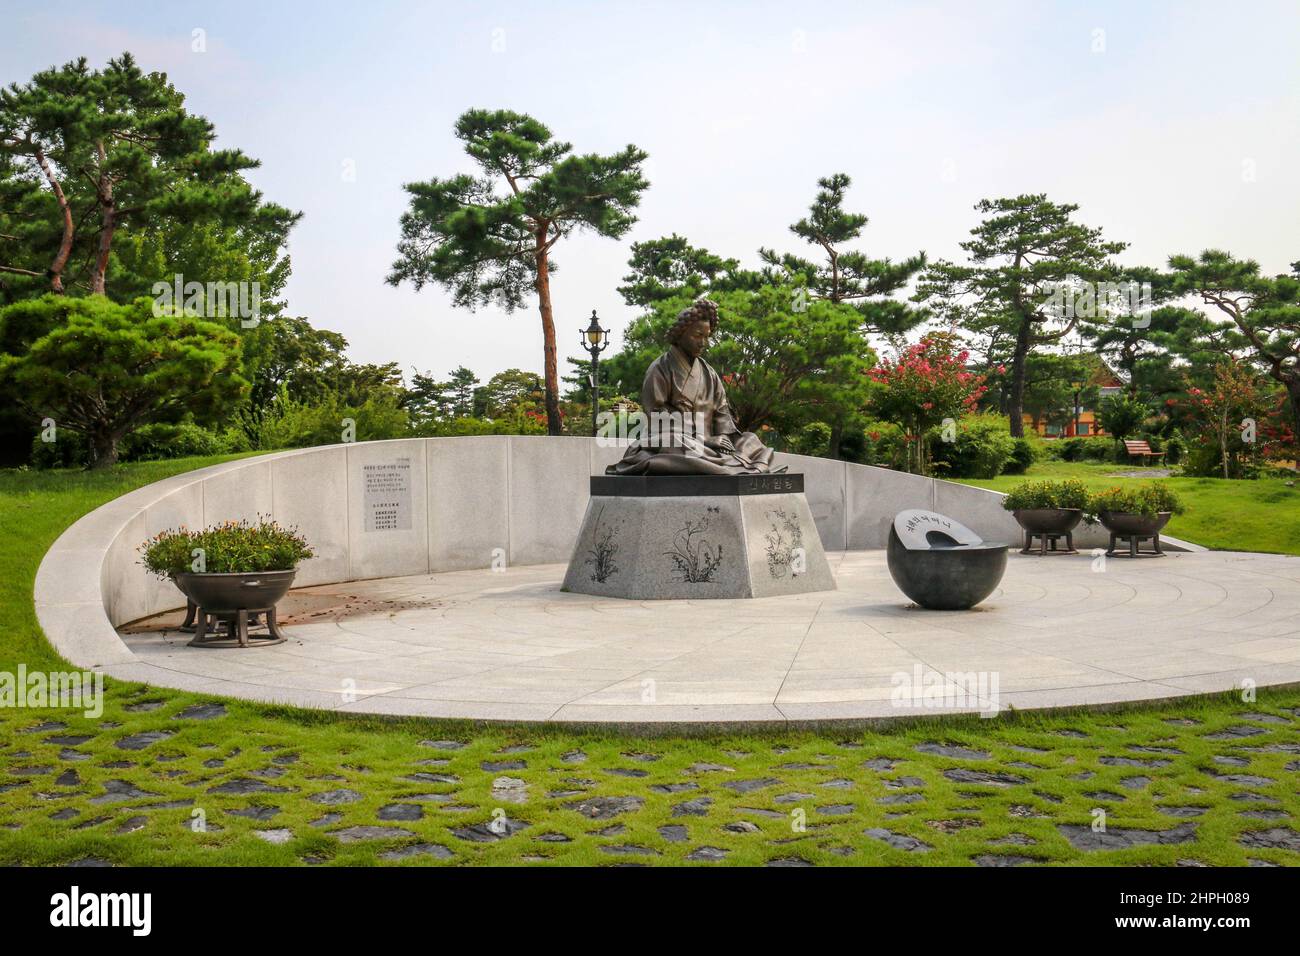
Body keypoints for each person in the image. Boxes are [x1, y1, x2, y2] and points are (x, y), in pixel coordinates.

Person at [606, 298, 785, 476]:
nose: (703, 343)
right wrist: (704, 439)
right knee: (676, 443)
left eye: (707, 337)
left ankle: (731, 464)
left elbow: (722, 413)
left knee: (751, 440)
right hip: (675, 439)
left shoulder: (709, 373)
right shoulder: (660, 368)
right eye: (698, 336)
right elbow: (658, 416)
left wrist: (724, 440)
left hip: (709, 445)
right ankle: (733, 468)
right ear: (680, 334)